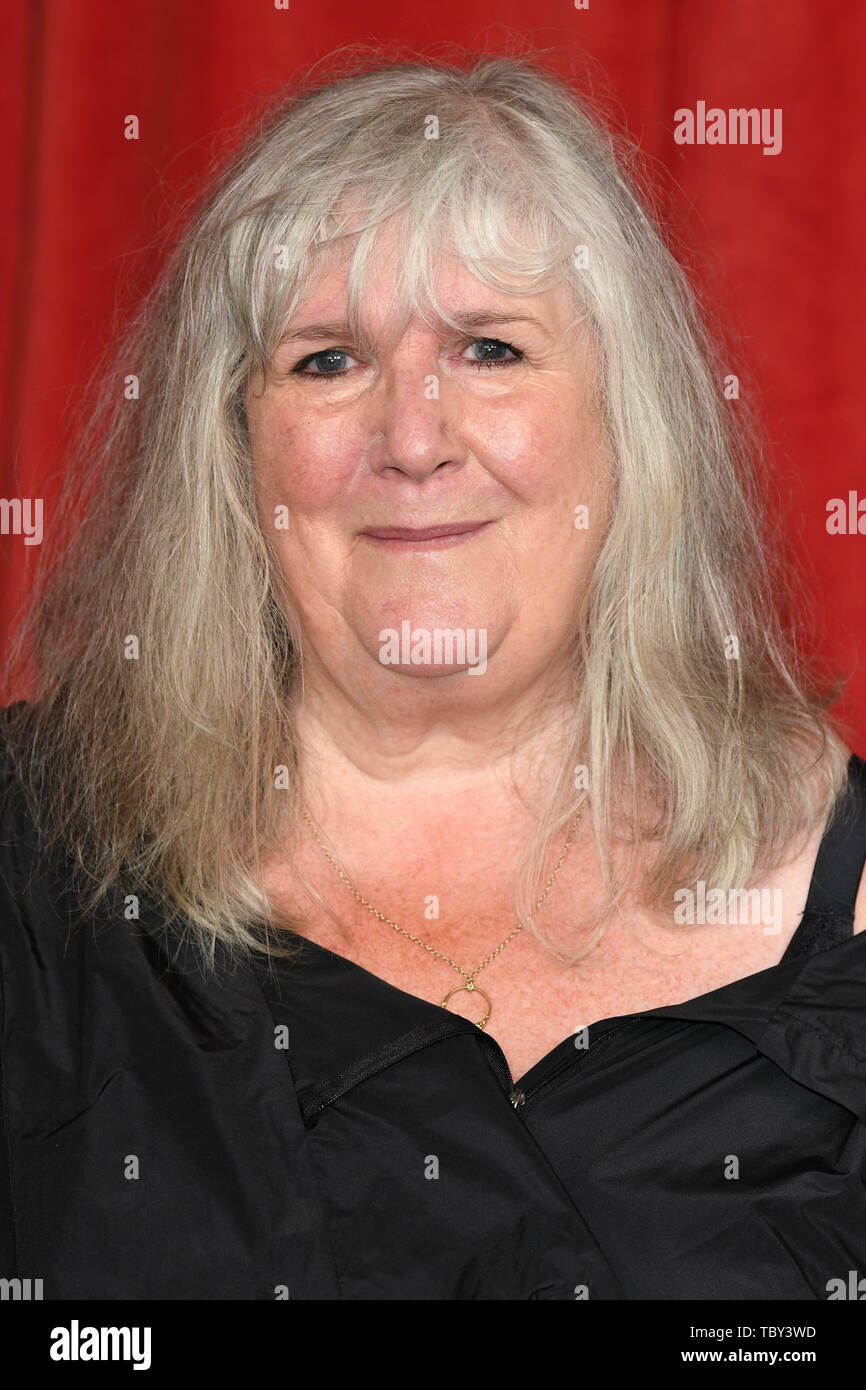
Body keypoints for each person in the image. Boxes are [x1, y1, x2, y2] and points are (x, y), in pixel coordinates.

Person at [1, 50, 864, 1301]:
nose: (411, 439)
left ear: (630, 426)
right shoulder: (32, 867)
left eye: (489, 349)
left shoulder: (844, 901)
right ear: (231, 450)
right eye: (327, 361)